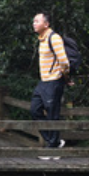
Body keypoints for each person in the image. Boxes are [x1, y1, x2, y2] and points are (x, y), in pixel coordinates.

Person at [30, 12, 69, 160]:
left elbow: (64, 61)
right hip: (44, 81)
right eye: (34, 21)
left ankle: (52, 148)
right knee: (34, 110)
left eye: (37, 21)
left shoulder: (54, 38)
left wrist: (63, 77)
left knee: (53, 114)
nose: (34, 23)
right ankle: (55, 142)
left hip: (54, 81)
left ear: (46, 24)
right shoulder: (42, 40)